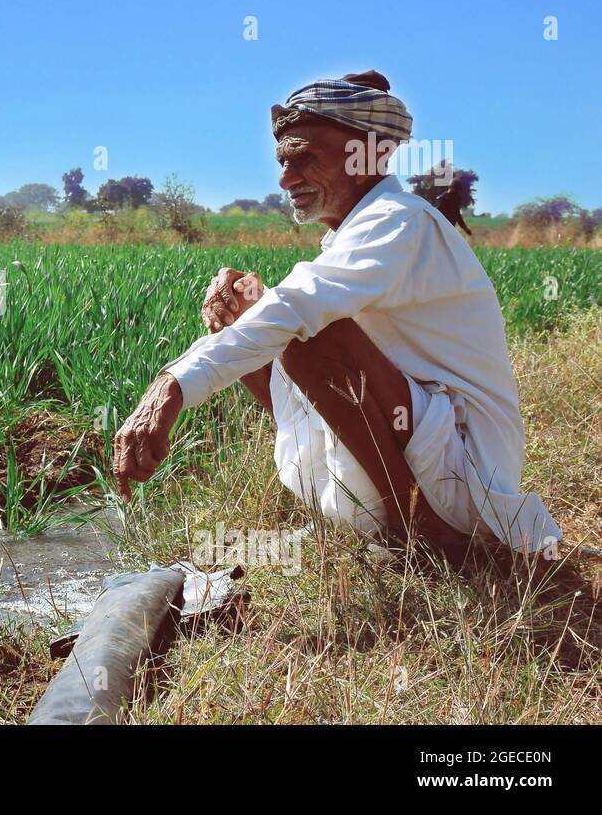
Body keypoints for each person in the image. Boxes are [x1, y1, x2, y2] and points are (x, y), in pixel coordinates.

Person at [113, 70, 561, 561]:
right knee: (255, 322)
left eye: (304, 158)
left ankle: (423, 531)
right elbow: (293, 308)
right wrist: (248, 309)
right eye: (283, 163)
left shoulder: (399, 220)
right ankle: (392, 518)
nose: (286, 179)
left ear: (367, 156)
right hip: (427, 457)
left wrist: (171, 385)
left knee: (309, 333)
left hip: (464, 481)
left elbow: (299, 308)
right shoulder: (361, 234)